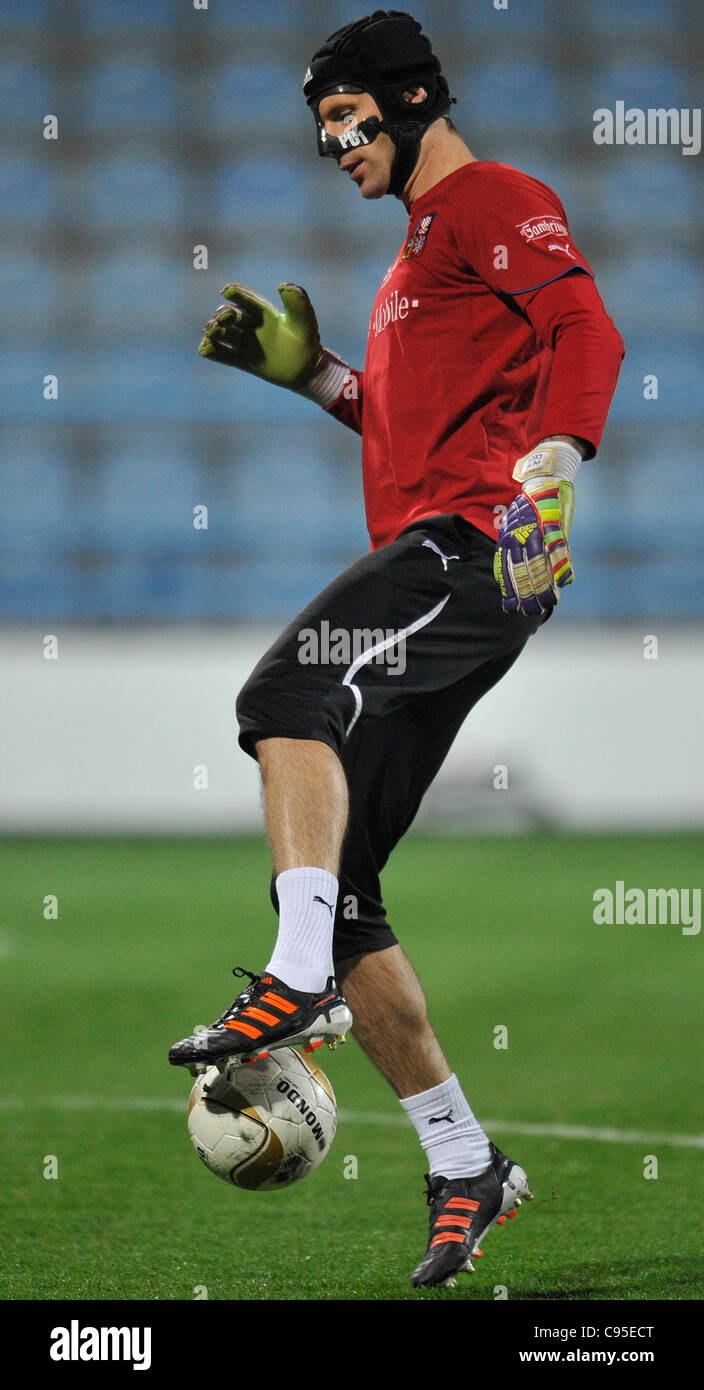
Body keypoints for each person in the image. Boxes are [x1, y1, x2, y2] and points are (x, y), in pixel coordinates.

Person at [170, 10, 624, 1289]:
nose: (332, 148)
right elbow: (413, 425)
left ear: (409, 99)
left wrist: (556, 457)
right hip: (442, 544)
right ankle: (464, 1161)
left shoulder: (489, 198)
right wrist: (313, 375)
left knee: (283, 690)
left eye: (345, 121)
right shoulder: (417, 254)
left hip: (480, 546)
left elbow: (583, 329)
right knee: (344, 878)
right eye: (322, 129)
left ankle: (295, 978)